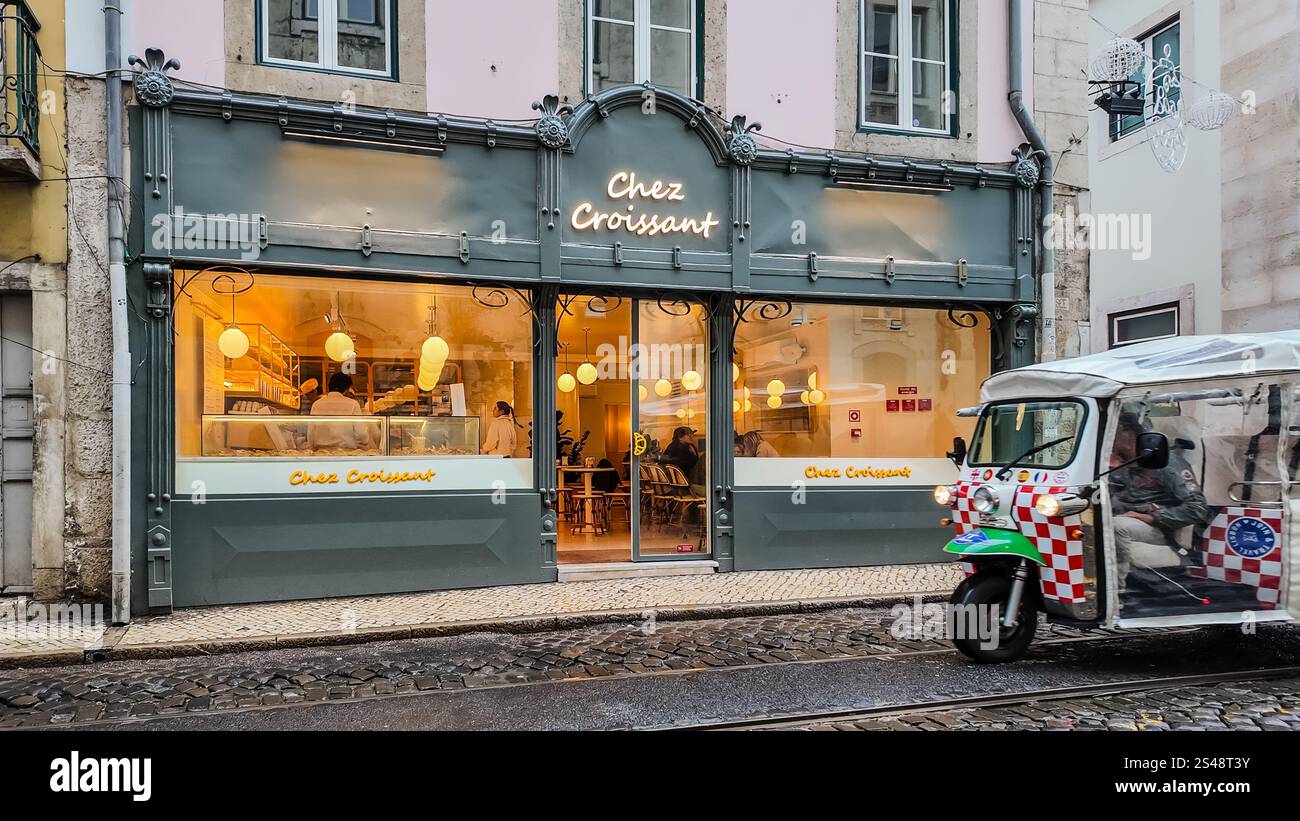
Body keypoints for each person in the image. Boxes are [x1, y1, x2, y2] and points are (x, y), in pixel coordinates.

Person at [1108, 413, 1211, 593]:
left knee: (1117, 527)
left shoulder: (1168, 463)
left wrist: (1149, 516)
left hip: (1158, 526)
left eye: (1115, 435)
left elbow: (1197, 508)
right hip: (1123, 516)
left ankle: (1117, 593)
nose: (1113, 442)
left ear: (1131, 434)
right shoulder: (1121, 462)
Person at [308, 372, 375, 450]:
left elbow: (311, 434)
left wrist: (312, 450)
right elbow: (361, 434)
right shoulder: (353, 404)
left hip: (321, 454)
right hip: (346, 454)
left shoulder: (316, 405)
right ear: (347, 390)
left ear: (329, 387)